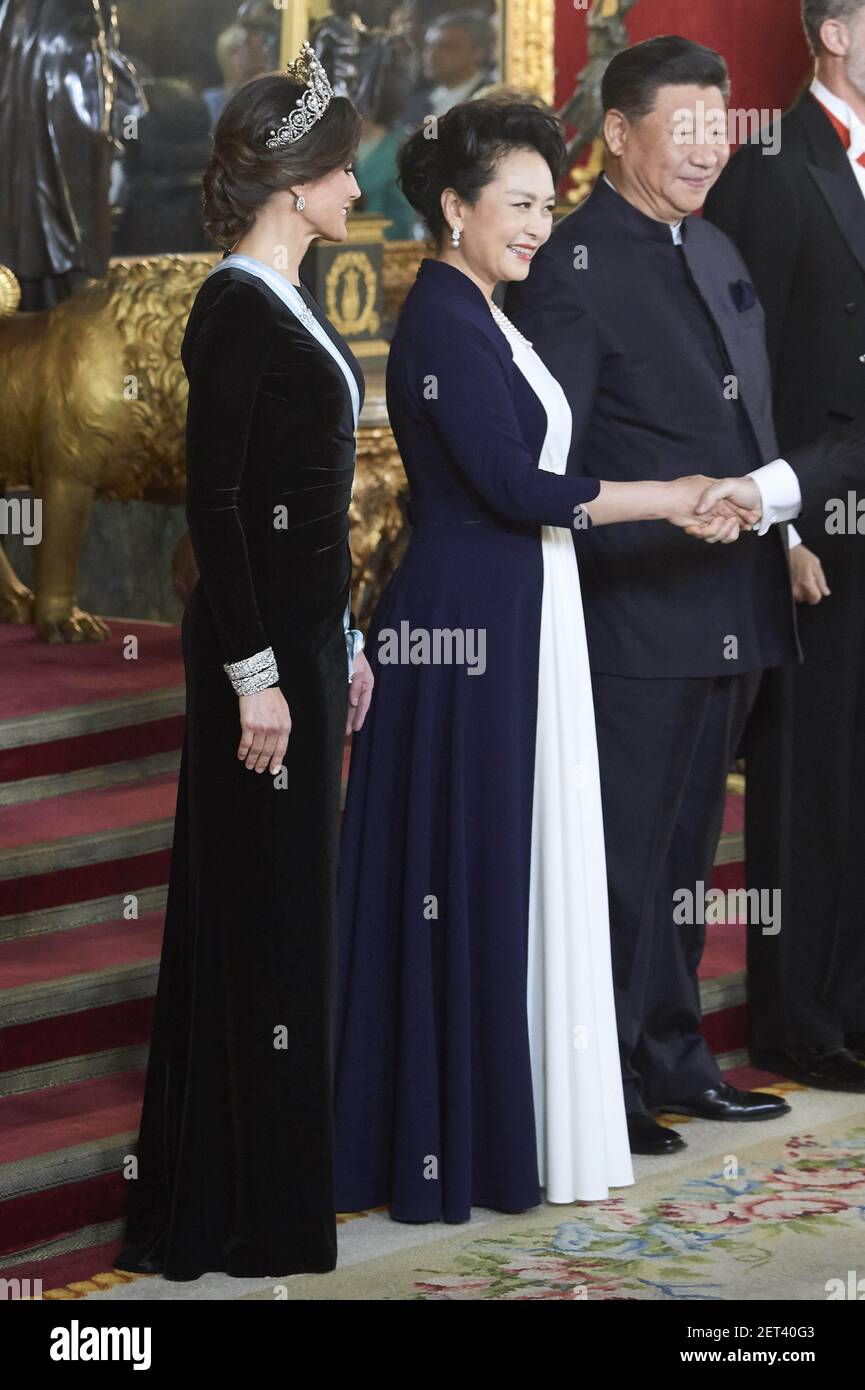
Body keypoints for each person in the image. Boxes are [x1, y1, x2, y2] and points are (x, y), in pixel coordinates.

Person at [332, 95, 742, 1226]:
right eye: (514, 207)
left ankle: (511, 1120)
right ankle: (450, 1140)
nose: (535, 228)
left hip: (523, 603)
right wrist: (667, 497)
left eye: (544, 207)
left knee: (508, 874)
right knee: (469, 878)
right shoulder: (440, 321)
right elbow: (514, 488)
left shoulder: (490, 313)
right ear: (453, 209)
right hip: (469, 624)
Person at [503, 36, 796, 1157]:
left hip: (735, 593)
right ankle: (604, 1077)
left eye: (715, 128)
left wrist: (788, 525)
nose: (703, 149)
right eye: (681, 129)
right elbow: (551, 455)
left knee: (687, 858)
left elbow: (749, 416)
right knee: (623, 859)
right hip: (632, 611)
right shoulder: (569, 266)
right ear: (617, 134)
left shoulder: (713, 242)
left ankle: (677, 1057)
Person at [115, 44, 374, 1282]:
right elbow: (214, 507)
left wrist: (347, 642)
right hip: (257, 672)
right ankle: (240, 1213)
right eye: (339, 169)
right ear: (292, 183)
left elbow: (303, 503)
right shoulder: (233, 304)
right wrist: (259, 676)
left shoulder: (287, 293)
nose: (355, 188)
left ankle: (262, 1198)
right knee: (264, 927)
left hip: (306, 657)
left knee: (288, 922)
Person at [703, 0, 865, 1092]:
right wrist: (784, 519)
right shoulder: (770, 163)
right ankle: (800, 1020)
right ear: (837, 31)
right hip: (818, 525)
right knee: (811, 774)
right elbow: (739, 357)